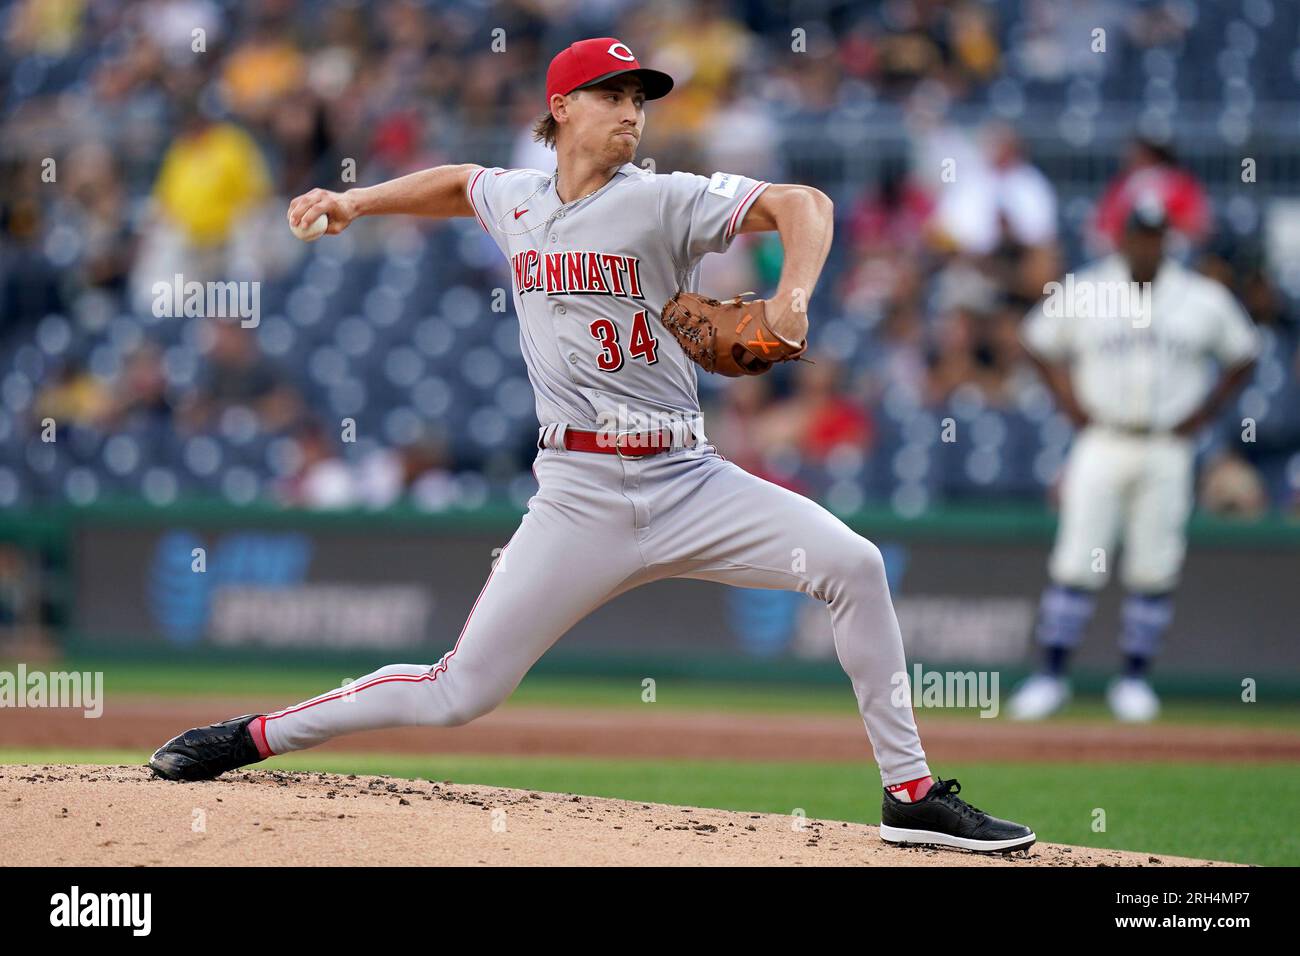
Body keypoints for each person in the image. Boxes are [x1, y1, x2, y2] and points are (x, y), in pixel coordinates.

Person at [148, 37, 1034, 854]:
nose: (631, 112)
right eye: (612, 95)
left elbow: (804, 202)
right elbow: (461, 183)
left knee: (855, 564)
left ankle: (909, 794)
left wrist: (794, 292)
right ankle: (249, 736)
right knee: (461, 690)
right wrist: (354, 200)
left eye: (640, 98)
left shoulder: (660, 198)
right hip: (578, 495)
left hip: (688, 477)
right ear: (562, 107)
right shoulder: (519, 200)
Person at [1010, 197, 1258, 722]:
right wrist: (1067, 402)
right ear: (1122, 238)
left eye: (1156, 235)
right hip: (1103, 436)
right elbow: (1035, 341)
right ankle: (1051, 677)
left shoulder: (1200, 297)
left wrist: (1205, 414)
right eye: (1139, 235)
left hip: (1168, 443)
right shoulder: (1087, 289)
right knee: (1076, 561)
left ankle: (1134, 681)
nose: (1147, 244)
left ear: (1168, 240)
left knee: (1154, 565)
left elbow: (1244, 354)